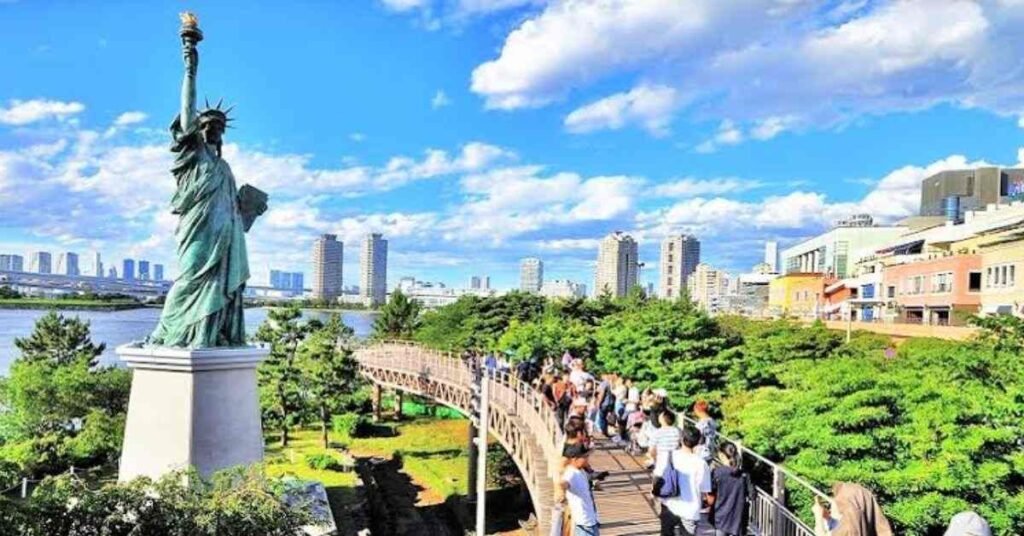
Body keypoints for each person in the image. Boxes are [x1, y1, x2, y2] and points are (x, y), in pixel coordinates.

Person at [656, 426, 711, 536]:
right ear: (697, 442)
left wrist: (656, 500)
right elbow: (704, 489)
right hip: (690, 508)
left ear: (681, 439)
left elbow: (657, 479)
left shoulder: (667, 456)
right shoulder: (701, 463)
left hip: (669, 504)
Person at [812, 482, 893, 536]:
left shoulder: (848, 529)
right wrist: (828, 518)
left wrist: (818, 517)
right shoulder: (856, 520)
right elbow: (838, 525)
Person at [560, 443, 600, 536]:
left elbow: (582, 487)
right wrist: (562, 492)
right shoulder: (570, 473)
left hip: (591, 520)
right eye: (585, 457)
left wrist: (594, 485)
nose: (587, 459)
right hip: (583, 525)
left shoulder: (581, 471)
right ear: (575, 459)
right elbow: (563, 483)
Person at [711, 443, 749, 536]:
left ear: (722, 455)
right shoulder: (744, 475)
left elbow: (711, 490)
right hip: (738, 518)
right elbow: (752, 495)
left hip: (721, 517)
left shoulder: (717, 473)